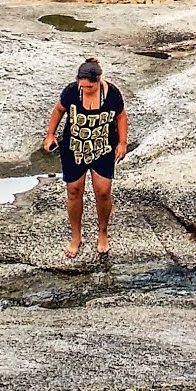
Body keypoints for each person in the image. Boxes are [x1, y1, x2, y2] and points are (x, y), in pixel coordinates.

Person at [41, 58, 127, 260]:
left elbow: (121, 116)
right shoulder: (72, 91)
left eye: (89, 87)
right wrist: (50, 134)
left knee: (103, 191)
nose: (86, 90)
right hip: (74, 148)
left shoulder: (111, 94)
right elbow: (59, 110)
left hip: (102, 147)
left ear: (98, 81)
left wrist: (122, 142)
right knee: (74, 190)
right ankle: (76, 236)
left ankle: (102, 232)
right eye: (83, 86)